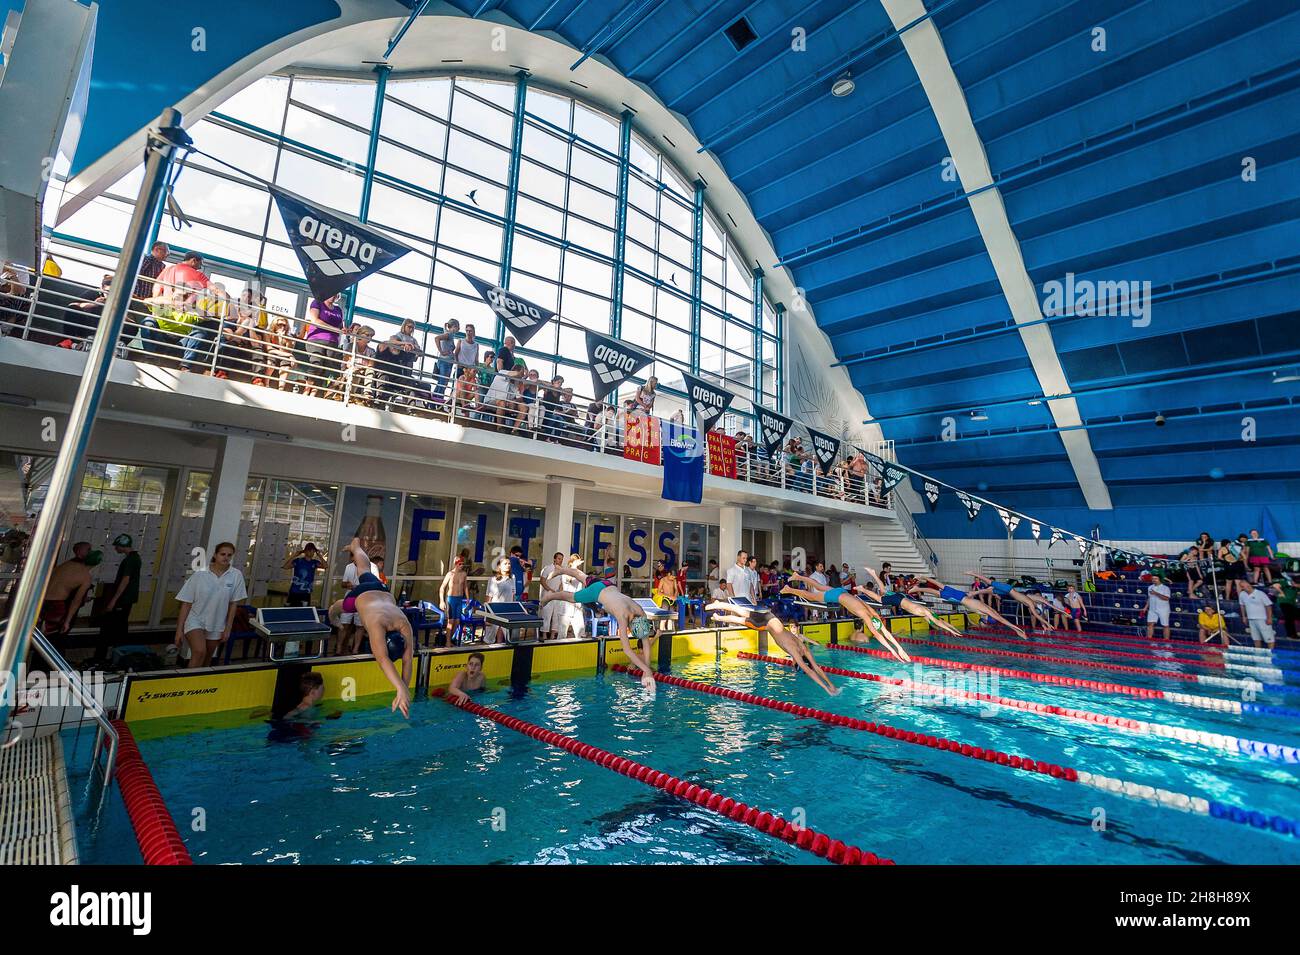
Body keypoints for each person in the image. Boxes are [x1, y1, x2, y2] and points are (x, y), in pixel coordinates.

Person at [538, 560, 658, 693]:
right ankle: (551, 595)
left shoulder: (639, 611)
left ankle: (561, 570)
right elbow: (627, 650)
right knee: (572, 597)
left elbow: (645, 641)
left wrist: (647, 668)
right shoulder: (622, 617)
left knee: (581, 576)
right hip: (596, 593)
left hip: (607, 585)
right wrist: (646, 670)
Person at [326, 538, 413, 716]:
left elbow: (408, 660)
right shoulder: (377, 625)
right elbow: (383, 660)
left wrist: (404, 689)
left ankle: (356, 546)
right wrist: (401, 688)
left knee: (364, 569)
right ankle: (331, 614)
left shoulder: (404, 624)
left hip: (382, 590)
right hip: (362, 596)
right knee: (339, 607)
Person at [706, 599, 840, 695]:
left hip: (771, 617)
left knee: (743, 612)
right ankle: (718, 617)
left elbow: (815, 667)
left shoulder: (803, 646)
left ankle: (720, 604)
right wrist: (826, 688)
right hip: (766, 625)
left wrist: (831, 684)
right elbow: (812, 671)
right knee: (741, 620)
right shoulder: (796, 652)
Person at [780, 571, 911, 662]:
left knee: (818, 586)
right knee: (812, 596)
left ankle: (798, 577)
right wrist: (893, 651)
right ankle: (789, 589)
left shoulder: (873, 613)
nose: (872, 628)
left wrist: (898, 648)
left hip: (842, 592)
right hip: (837, 597)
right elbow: (880, 636)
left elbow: (885, 633)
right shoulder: (866, 617)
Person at [174, 541, 247, 669]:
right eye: (222, 554)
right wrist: (179, 630)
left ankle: (201, 686)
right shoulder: (200, 574)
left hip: (217, 623)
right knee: (199, 651)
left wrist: (228, 629)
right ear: (215, 555)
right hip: (195, 620)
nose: (226, 557)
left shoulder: (236, 575)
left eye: (229, 555)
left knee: (207, 658)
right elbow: (186, 603)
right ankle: (188, 684)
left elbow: (233, 604)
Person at [857, 567, 963, 639]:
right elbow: (938, 622)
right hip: (899, 600)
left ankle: (873, 574)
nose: (932, 619)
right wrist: (952, 631)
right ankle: (863, 589)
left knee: (883, 591)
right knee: (879, 599)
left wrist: (953, 629)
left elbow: (939, 622)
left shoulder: (924, 613)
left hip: (900, 598)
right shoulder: (926, 612)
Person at [915, 577, 1027, 639]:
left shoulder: (984, 610)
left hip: (961, 597)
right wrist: (1017, 630)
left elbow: (1000, 619)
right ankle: (918, 587)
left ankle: (921, 582)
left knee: (940, 587)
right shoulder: (986, 611)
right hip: (960, 598)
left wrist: (1017, 629)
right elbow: (1002, 620)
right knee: (938, 590)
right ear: (987, 619)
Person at [97, 534, 143, 661]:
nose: (115, 548)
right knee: (121, 626)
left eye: (116, 546)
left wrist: (113, 600)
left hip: (123, 598)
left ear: (122, 545)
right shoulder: (134, 558)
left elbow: (125, 580)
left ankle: (112, 655)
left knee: (114, 627)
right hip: (126, 598)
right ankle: (119, 654)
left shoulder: (130, 560)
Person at [40, 542, 96, 635]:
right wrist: (67, 621)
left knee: (41, 635)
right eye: (88, 550)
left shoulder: (63, 566)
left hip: (44, 602)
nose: (91, 552)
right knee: (55, 636)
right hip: (57, 605)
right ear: (78, 552)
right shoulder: (84, 574)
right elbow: (76, 601)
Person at [967, 572, 1051, 632]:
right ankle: (973, 575)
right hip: (1008, 589)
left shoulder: (1031, 604)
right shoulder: (1031, 602)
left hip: (1007, 592)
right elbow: (1039, 611)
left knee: (990, 590)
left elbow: (1037, 615)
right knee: (989, 584)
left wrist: (1045, 625)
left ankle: (975, 588)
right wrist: (1046, 623)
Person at [439, 554, 470, 646]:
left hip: (459, 599)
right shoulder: (450, 574)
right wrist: (442, 601)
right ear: (456, 564)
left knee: (457, 621)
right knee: (450, 621)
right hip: (451, 599)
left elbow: (465, 587)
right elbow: (442, 588)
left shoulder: (464, 574)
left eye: (463, 564)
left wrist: (467, 598)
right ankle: (448, 642)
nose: (462, 566)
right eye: (460, 564)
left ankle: (447, 639)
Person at [485, 557, 515, 642]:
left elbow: (513, 594)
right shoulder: (493, 579)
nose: (508, 565)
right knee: (491, 636)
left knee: (503, 634)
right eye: (505, 564)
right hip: (495, 610)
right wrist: (487, 616)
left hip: (507, 610)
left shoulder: (512, 577)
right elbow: (488, 597)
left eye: (509, 564)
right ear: (499, 566)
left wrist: (513, 610)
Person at [1237, 580, 1274, 648]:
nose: (1245, 587)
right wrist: (1244, 617)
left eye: (1246, 585)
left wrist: (1269, 618)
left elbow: (1268, 606)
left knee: (1269, 638)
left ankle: (1271, 653)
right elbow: (1242, 606)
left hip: (1262, 619)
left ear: (1249, 585)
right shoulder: (1242, 594)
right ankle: (1258, 653)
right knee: (1256, 638)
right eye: (1242, 586)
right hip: (1251, 619)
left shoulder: (1260, 593)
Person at [432, 318, 460, 401]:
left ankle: (434, 402)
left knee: (441, 383)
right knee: (442, 383)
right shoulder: (449, 334)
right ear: (454, 326)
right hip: (445, 362)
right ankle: (437, 402)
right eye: (457, 327)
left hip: (445, 361)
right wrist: (441, 351)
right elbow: (437, 338)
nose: (458, 329)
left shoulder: (448, 334)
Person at [1143, 574, 1172, 641]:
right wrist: (1145, 607)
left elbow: (1166, 598)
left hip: (1163, 609)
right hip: (1152, 609)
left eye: (1156, 579)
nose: (1154, 580)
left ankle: (1166, 640)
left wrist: (1156, 593)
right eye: (1153, 579)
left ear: (1160, 580)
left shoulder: (1165, 588)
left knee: (1165, 625)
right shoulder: (1150, 587)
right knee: (1150, 624)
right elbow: (1149, 598)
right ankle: (1149, 639)